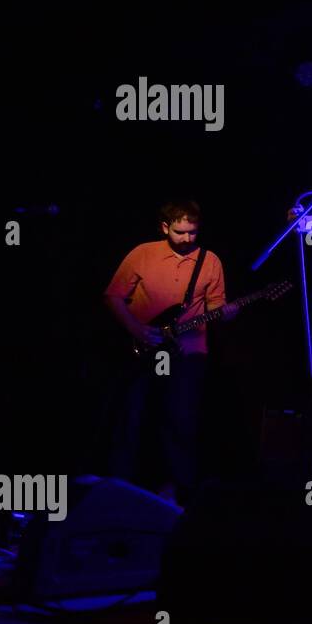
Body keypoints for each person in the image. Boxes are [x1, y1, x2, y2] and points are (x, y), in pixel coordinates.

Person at [103, 199, 236, 503]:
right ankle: (118, 491)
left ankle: (178, 495)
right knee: (132, 418)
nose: (188, 239)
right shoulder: (143, 253)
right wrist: (138, 330)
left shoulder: (210, 260)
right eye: (180, 232)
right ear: (165, 227)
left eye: (193, 232)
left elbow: (215, 306)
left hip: (189, 354)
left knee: (181, 422)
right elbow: (112, 296)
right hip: (144, 347)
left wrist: (226, 313)